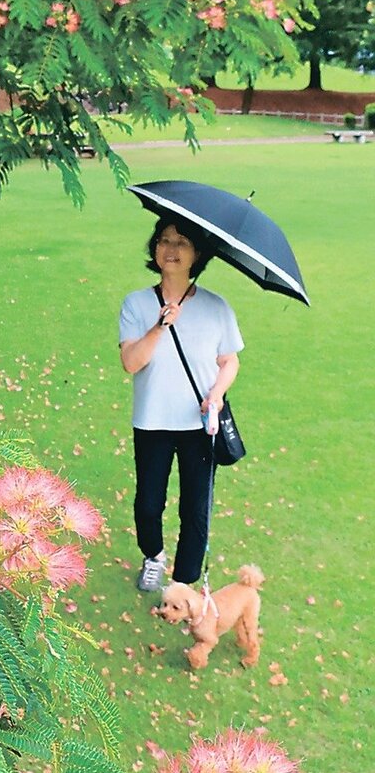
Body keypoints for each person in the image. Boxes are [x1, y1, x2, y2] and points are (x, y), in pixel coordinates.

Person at [118, 215, 243, 592]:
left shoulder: (217, 307)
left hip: (200, 424)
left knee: (195, 509)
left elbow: (230, 360)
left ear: (197, 254)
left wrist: (217, 393)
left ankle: (185, 581)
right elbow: (130, 362)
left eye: (181, 242)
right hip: (152, 421)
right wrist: (160, 327)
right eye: (163, 240)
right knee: (148, 503)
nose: (170, 249)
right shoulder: (137, 304)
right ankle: (153, 556)